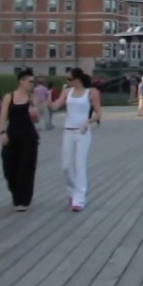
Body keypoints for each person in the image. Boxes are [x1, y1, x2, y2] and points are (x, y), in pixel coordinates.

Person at [49, 67, 103, 212]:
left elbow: (98, 114)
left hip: (82, 132)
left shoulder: (91, 92)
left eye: (70, 79)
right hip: (68, 131)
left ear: (77, 79)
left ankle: (79, 198)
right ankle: (72, 192)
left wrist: (88, 121)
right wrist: (47, 99)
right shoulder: (67, 92)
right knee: (66, 166)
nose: (68, 82)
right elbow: (54, 106)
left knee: (80, 165)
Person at [0, 69, 41, 211]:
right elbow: (3, 116)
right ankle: (14, 191)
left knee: (26, 168)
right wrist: (2, 132)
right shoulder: (9, 97)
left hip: (28, 136)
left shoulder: (32, 98)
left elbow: (37, 118)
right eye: (30, 81)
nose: (32, 84)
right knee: (9, 167)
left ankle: (22, 200)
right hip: (12, 135)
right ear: (21, 81)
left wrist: (35, 115)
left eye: (33, 82)